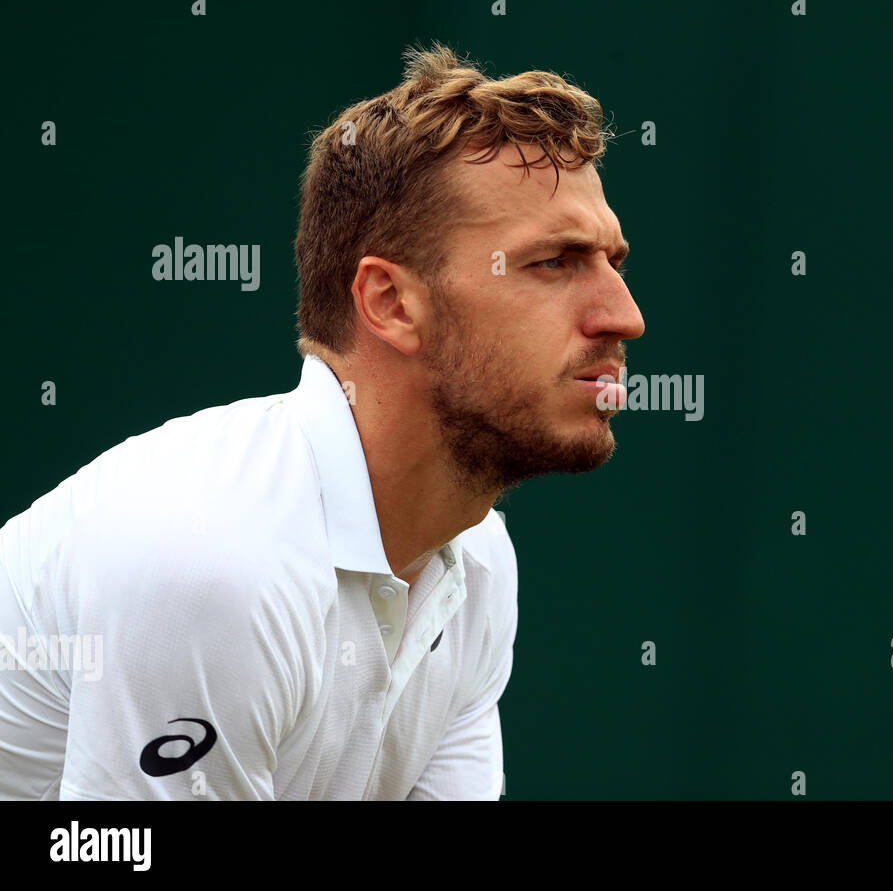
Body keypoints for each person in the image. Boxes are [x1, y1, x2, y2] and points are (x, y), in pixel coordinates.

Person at [0, 41, 644, 800]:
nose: (623, 317)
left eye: (613, 262)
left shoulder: (475, 560)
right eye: (556, 262)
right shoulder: (213, 566)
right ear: (391, 303)